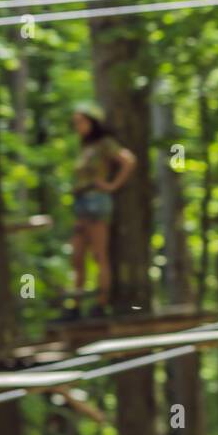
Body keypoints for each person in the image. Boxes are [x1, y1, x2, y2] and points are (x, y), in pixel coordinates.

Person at [65, 102, 137, 319]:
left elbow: (128, 160)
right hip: (80, 202)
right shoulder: (84, 148)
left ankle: (100, 304)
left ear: (92, 122)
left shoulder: (105, 143)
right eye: (75, 122)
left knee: (98, 255)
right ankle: (74, 306)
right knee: (76, 256)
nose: (77, 126)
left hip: (97, 200)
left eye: (81, 121)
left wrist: (112, 185)